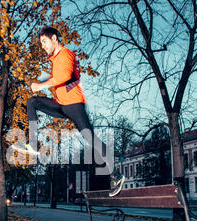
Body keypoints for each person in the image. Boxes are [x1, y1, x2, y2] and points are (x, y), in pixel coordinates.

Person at [13, 26, 125, 197]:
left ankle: (116, 174)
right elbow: (58, 78)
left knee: (90, 138)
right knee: (32, 102)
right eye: (41, 43)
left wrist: (41, 85)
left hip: (74, 105)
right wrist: (42, 81)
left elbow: (64, 77)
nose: (43, 46)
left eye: (44, 41)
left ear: (54, 39)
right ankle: (34, 143)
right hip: (60, 104)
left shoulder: (65, 54)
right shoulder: (55, 59)